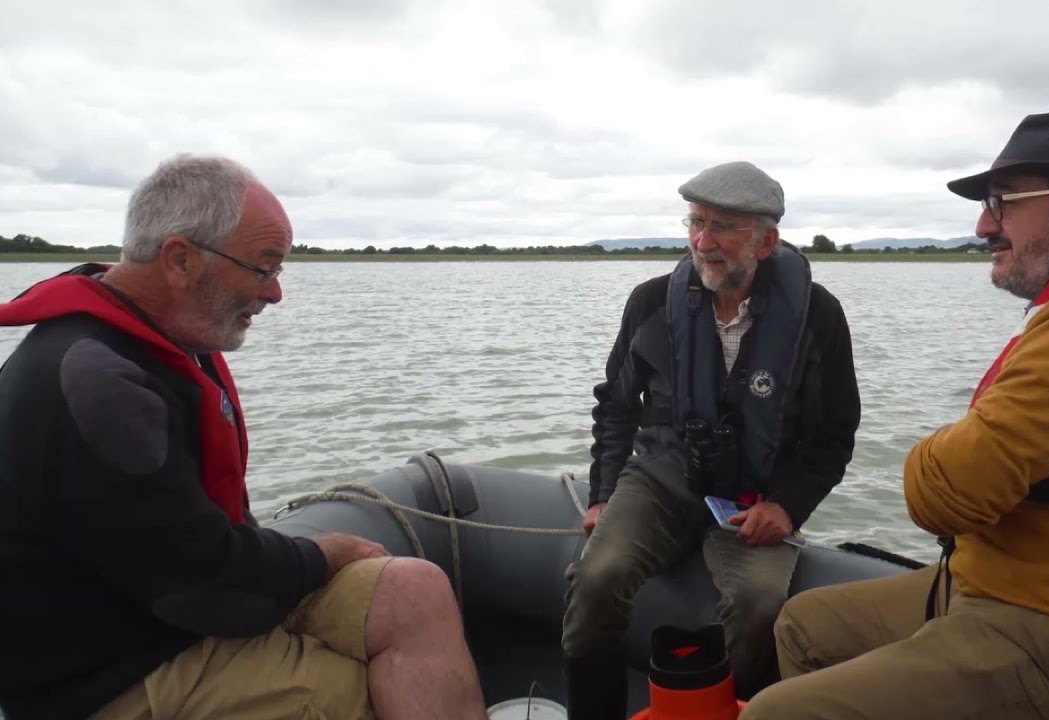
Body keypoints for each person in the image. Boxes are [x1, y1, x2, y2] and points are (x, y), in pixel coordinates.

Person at [740, 111, 1049, 720]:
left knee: (774, 713)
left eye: (1003, 203)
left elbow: (943, 498)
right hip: (1034, 591)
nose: (984, 224)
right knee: (804, 626)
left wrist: (936, 449)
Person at [0, 154, 489, 720]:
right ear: (180, 259)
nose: (275, 293)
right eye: (264, 268)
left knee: (415, 593)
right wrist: (325, 554)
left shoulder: (157, 338)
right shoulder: (100, 385)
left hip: (176, 611)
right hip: (115, 672)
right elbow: (204, 582)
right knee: (357, 690)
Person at [562, 160, 861, 719]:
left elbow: (834, 433)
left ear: (767, 241)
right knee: (595, 579)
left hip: (758, 496)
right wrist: (602, 494)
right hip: (662, 478)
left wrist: (788, 506)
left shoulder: (817, 318)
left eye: (724, 226)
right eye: (695, 222)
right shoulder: (652, 302)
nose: (703, 241)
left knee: (758, 605)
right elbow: (617, 405)